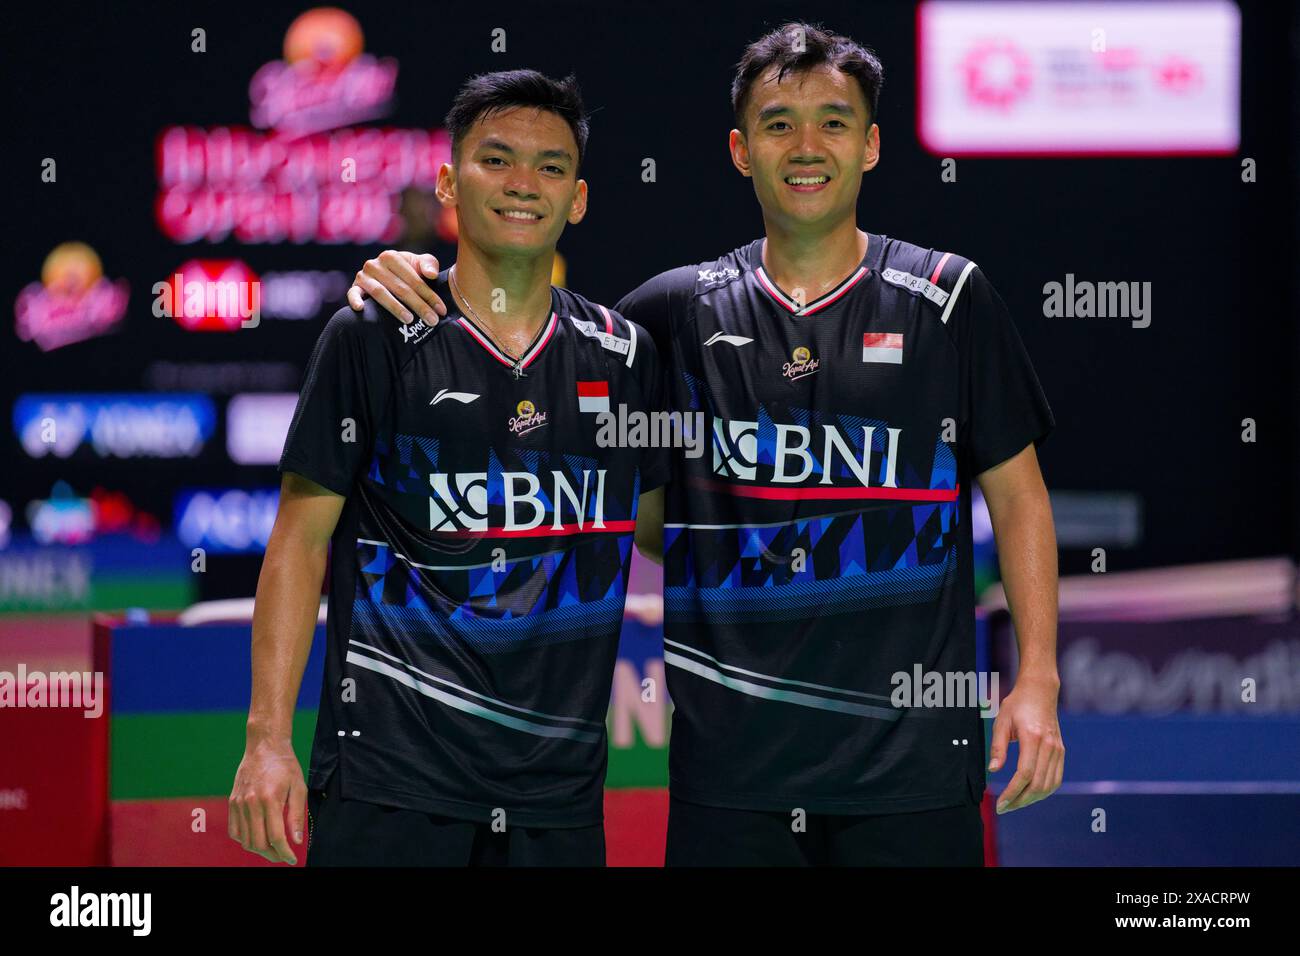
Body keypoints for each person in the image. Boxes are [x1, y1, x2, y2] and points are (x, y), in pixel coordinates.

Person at [345, 23, 1064, 866]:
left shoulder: (948, 299)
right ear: (738, 148)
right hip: (732, 782)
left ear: (870, 146)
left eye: (833, 122)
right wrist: (404, 273)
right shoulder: (675, 312)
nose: (806, 147)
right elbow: (525, 326)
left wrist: (1039, 679)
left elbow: (1019, 497)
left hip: (913, 774)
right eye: (777, 122)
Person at [229, 69, 670, 866]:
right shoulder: (372, 336)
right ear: (448, 182)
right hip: (389, 781)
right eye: (495, 160)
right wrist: (267, 741)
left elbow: (666, 531)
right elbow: (298, 542)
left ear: (578, 197)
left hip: (557, 795)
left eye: (551, 166)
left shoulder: (625, 355)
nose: (522, 185)